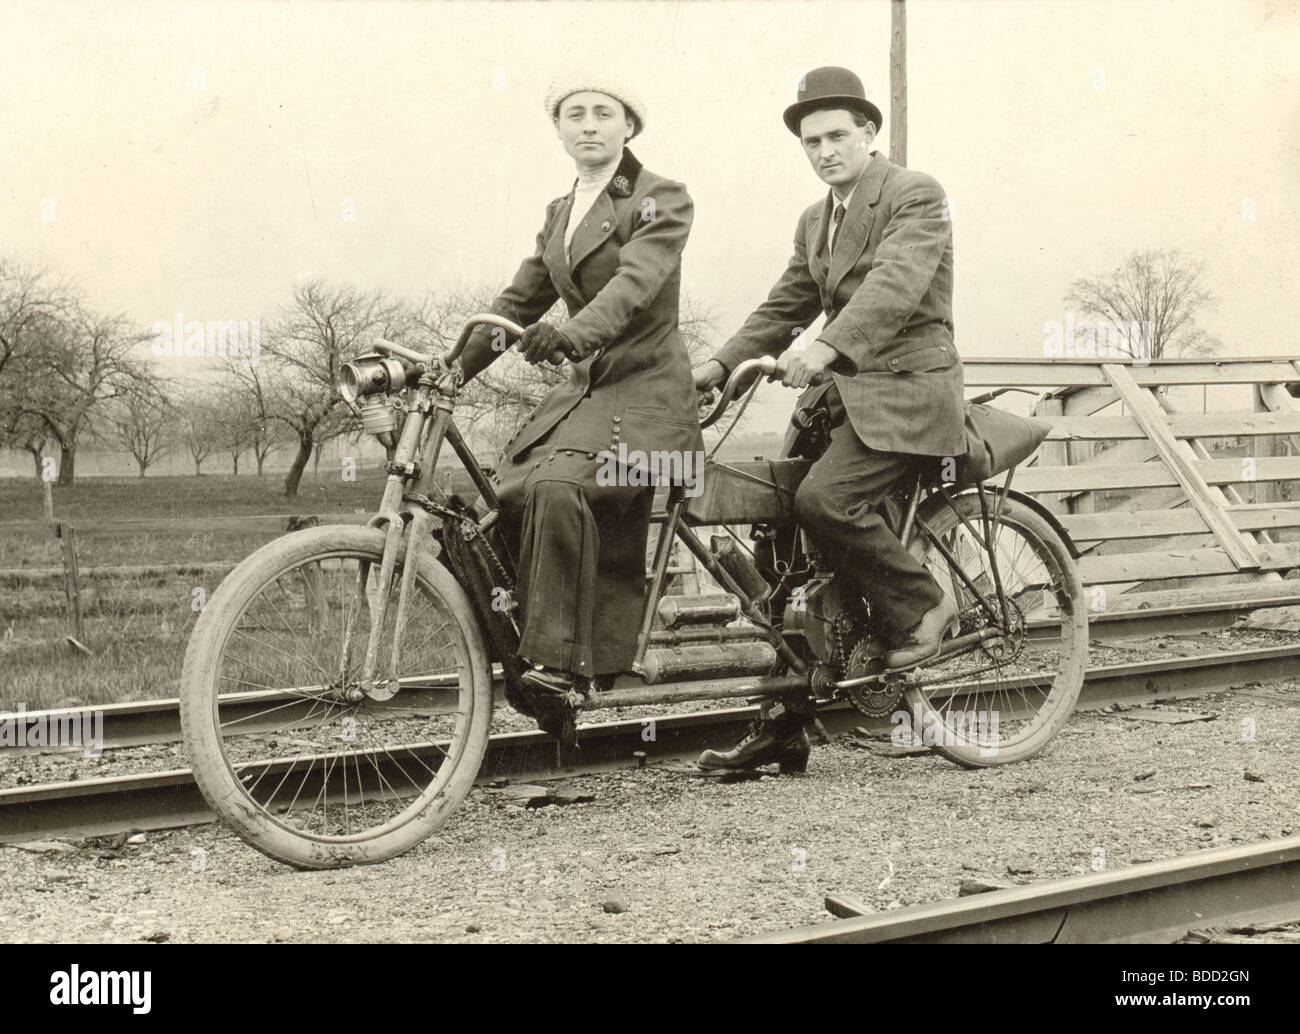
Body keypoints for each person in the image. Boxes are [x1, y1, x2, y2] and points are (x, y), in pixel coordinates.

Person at [693, 66, 964, 772]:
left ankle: (926, 605)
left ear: (869, 133)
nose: (824, 151)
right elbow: (785, 303)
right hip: (843, 400)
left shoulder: (915, 194)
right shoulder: (816, 220)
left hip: (907, 394)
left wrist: (829, 346)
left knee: (825, 500)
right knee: (775, 535)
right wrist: (719, 367)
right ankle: (785, 722)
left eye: (838, 135)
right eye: (811, 141)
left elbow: (896, 285)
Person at [455, 76, 702, 743]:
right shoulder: (560, 211)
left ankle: (564, 665)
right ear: (558, 130)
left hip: (651, 402)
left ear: (629, 127)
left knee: (562, 488)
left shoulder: (660, 199)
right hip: (591, 394)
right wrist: (448, 369)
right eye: (574, 115)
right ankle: (524, 662)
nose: (588, 125)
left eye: (604, 114)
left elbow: (633, 285)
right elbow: (514, 304)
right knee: (503, 494)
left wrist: (570, 336)